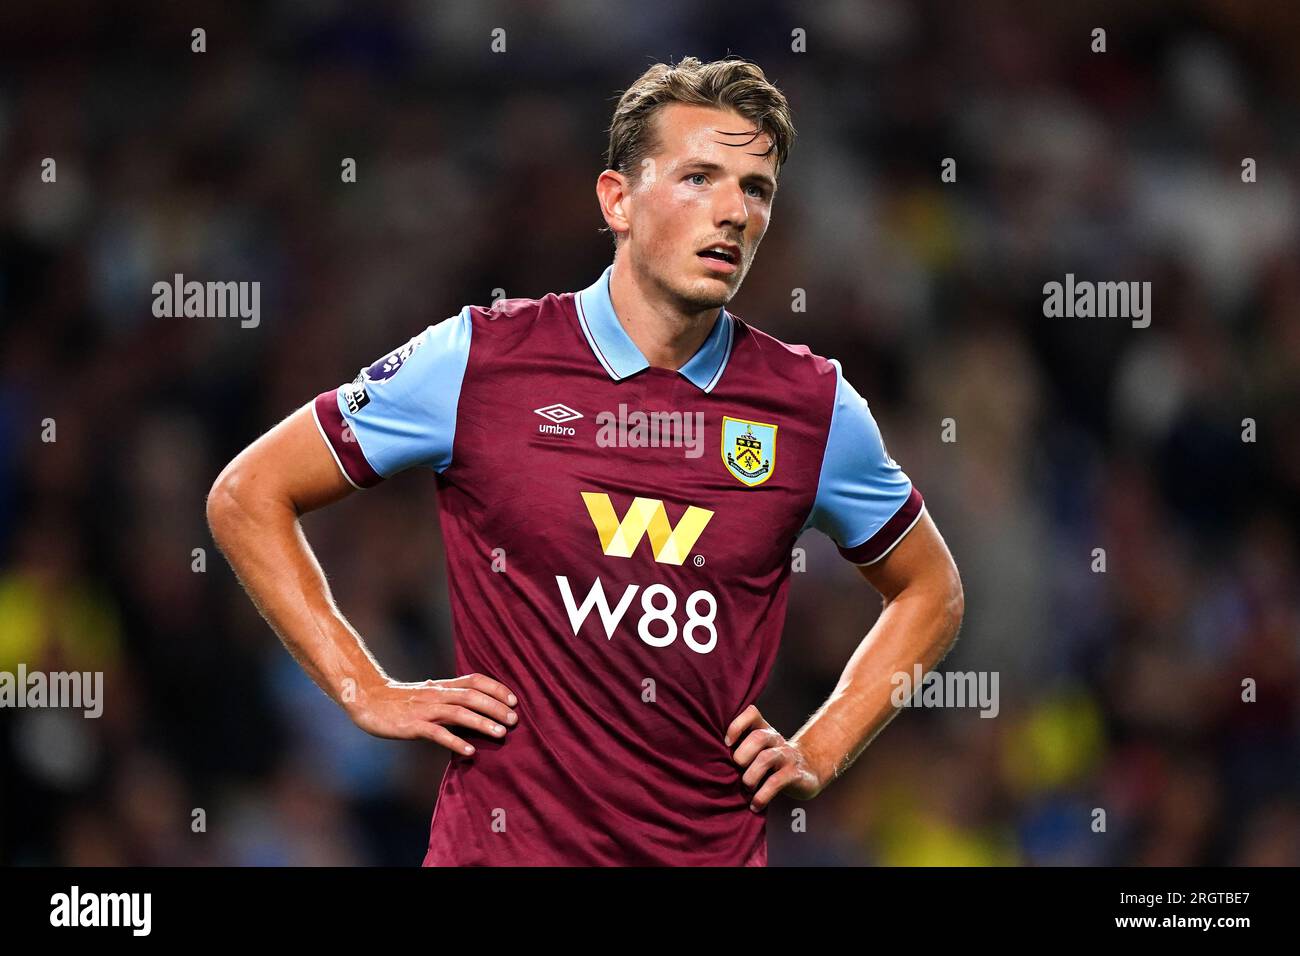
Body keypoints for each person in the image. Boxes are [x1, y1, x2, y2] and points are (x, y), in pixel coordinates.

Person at [207, 55, 964, 866]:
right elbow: (248, 493)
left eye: (756, 189)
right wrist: (363, 686)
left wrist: (823, 746)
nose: (734, 212)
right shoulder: (478, 360)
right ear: (617, 201)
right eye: (699, 177)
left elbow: (931, 589)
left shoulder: (812, 407)